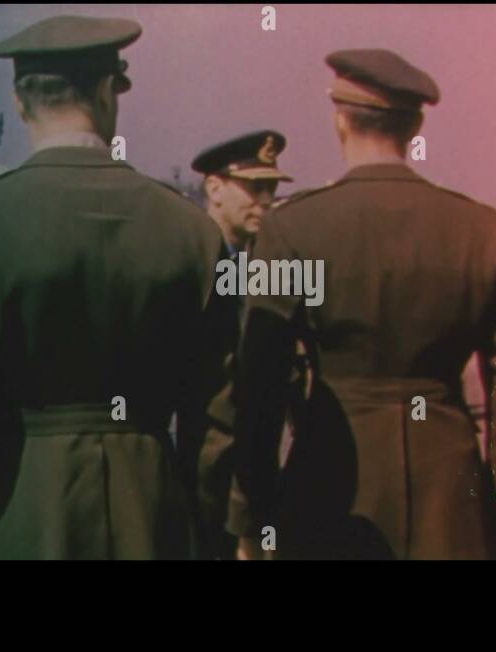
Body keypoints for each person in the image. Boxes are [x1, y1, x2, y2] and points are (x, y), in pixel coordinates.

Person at [0, 15, 222, 559]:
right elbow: (216, 423)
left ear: (18, 101)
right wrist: (210, 536)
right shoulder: (192, 231)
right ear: (108, 92)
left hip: (18, 519)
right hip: (155, 520)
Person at [231, 49, 496, 559]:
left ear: (340, 122)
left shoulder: (294, 227)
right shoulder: (483, 231)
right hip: (452, 497)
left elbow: (260, 383)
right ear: (416, 125)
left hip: (328, 487)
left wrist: (250, 516)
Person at [187, 131, 292, 559]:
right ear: (214, 188)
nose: (266, 200)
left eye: (271, 189)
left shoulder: (258, 266)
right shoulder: (188, 260)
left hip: (245, 470)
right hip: (194, 465)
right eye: (254, 188)